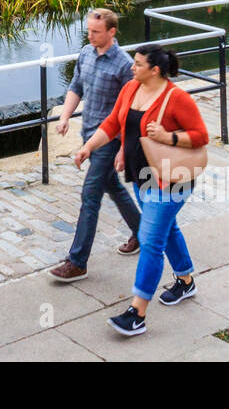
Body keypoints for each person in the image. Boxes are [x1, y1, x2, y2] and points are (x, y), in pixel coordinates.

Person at [73, 45, 209, 337]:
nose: (132, 68)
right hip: (141, 178)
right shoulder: (131, 89)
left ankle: (137, 313)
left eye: (137, 64)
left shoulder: (177, 99)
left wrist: (168, 136)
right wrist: (88, 147)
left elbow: (201, 135)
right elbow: (112, 124)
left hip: (172, 181)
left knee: (149, 241)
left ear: (154, 70)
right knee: (166, 230)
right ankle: (186, 282)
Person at [48, 9, 141, 283]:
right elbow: (76, 87)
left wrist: (124, 148)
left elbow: (129, 111)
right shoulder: (87, 53)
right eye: (88, 31)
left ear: (111, 32)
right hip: (89, 135)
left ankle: (77, 262)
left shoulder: (125, 65)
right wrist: (65, 117)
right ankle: (144, 233)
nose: (90, 36)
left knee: (90, 194)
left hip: (109, 141)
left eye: (96, 32)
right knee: (111, 186)